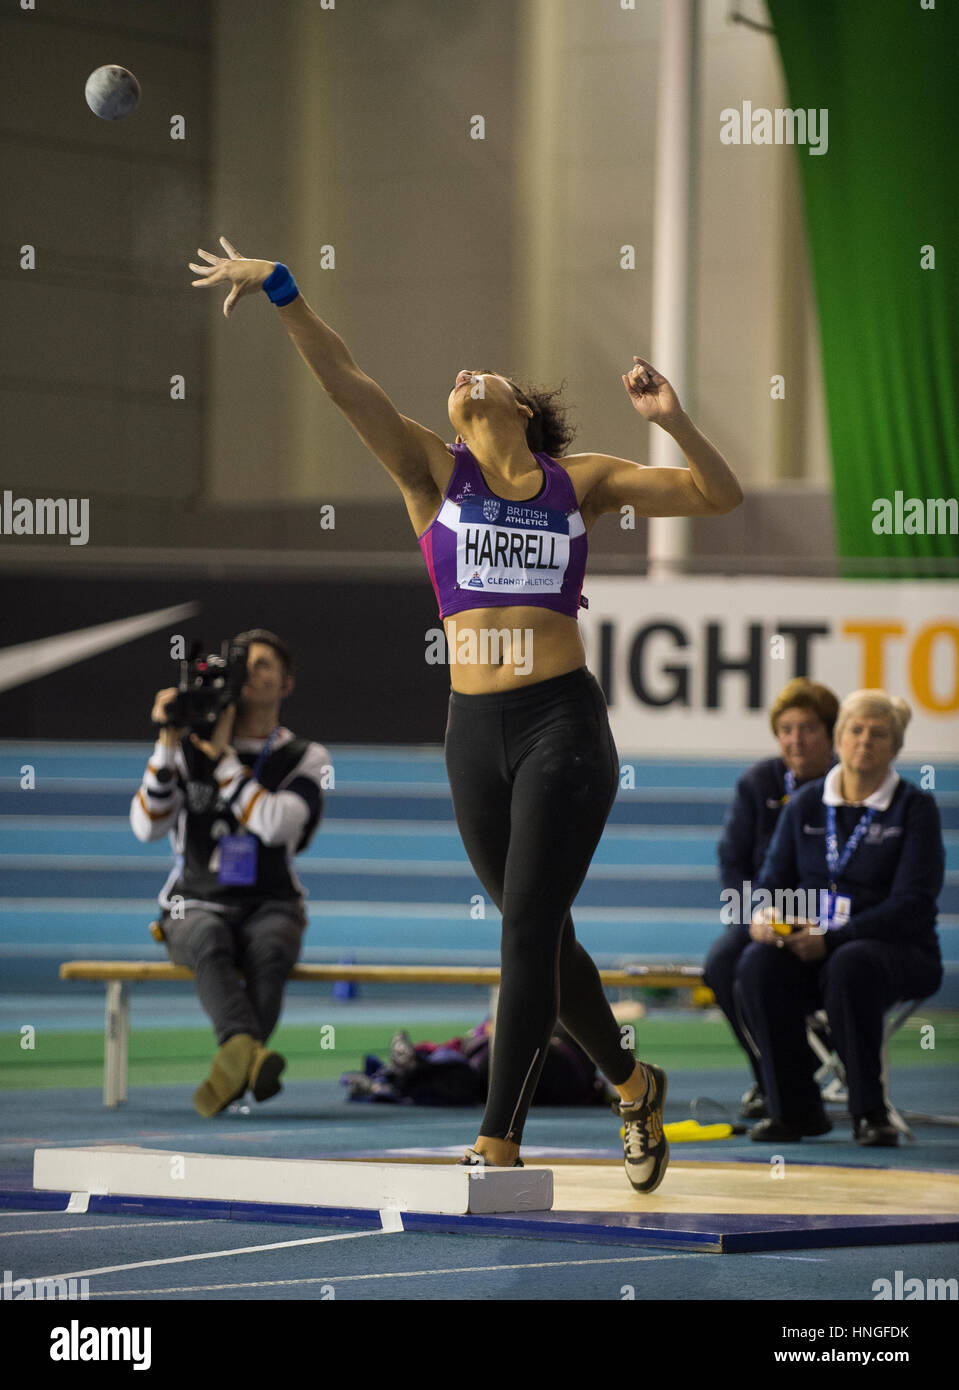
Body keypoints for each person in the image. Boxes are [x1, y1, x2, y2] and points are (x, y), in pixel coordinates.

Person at [188, 238, 742, 1191]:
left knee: (523, 931)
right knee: (544, 935)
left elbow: (715, 495)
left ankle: (498, 1140)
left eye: (483, 376)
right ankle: (630, 1079)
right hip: (472, 736)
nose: (462, 378)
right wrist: (281, 291)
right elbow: (346, 382)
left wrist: (674, 420)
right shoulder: (430, 475)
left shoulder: (586, 481)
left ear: (523, 410)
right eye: (457, 380)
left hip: (561, 727)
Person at [131, 629, 331, 1116]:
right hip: (193, 901)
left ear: (286, 684)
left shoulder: (306, 756)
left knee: (271, 947)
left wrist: (223, 763)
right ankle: (246, 1055)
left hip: (272, 902)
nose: (251, 671)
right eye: (244, 663)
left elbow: (276, 825)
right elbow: (146, 828)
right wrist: (166, 744)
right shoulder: (186, 744)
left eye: (264, 664)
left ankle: (234, 1063)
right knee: (205, 938)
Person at [736, 690, 944, 1146]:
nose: (865, 741)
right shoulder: (807, 804)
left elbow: (913, 904)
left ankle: (870, 1111)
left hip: (898, 951)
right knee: (755, 964)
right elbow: (771, 885)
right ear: (838, 737)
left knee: (851, 963)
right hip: (817, 947)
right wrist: (767, 918)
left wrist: (832, 938)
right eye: (856, 730)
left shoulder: (915, 809)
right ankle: (794, 1109)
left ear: (896, 747)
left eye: (879, 734)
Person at [704, 678, 838, 1119]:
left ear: (831, 732)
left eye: (808, 728)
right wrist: (757, 914)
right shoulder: (757, 783)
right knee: (724, 962)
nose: (796, 740)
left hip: (829, 920)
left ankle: (802, 1070)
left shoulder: (849, 784)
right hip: (766, 915)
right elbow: (732, 862)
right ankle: (772, 1078)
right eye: (786, 729)